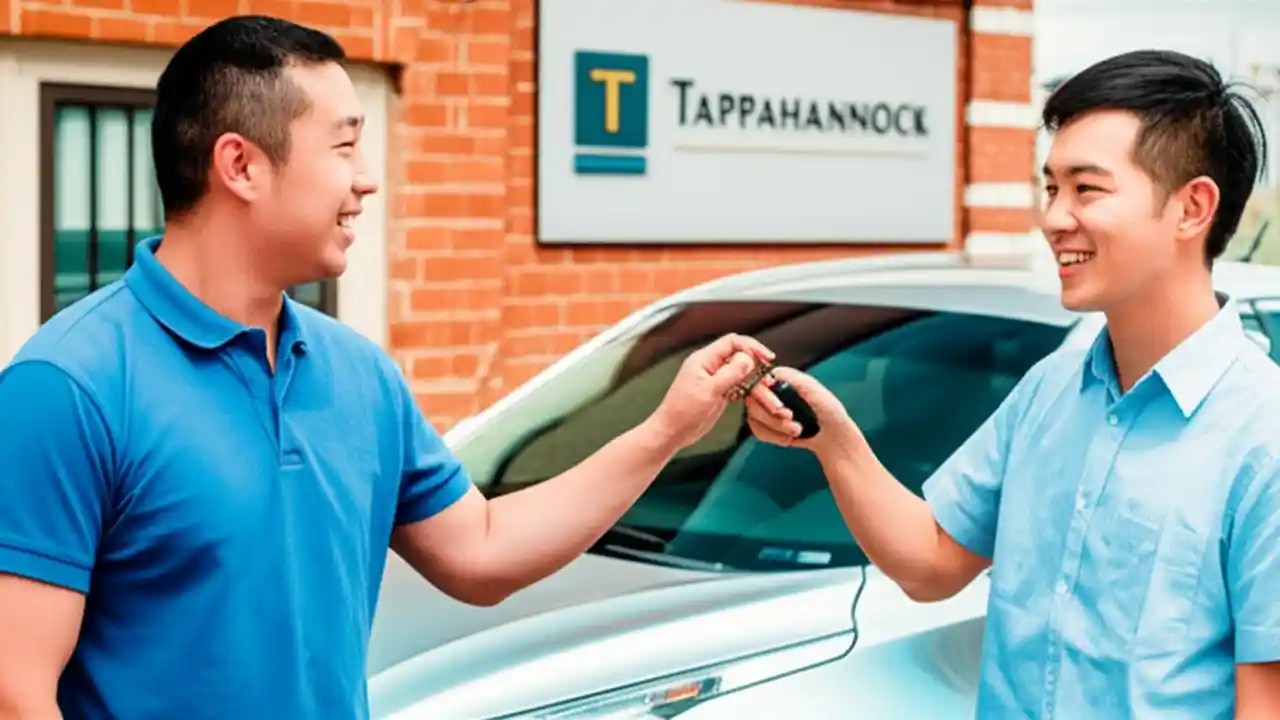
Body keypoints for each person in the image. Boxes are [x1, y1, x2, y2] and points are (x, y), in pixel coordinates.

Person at [0, 15, 784, 720]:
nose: (367, 178)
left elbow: (481, 552)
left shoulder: (358, 375)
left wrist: (667, 430)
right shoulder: (69, 387)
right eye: (343, 146)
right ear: (239, 165)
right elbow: (16, 690)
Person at [747, 49, 1280, 717]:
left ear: (1192, 208)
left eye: (1087, 189)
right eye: (1050, 188)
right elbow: (934, 563)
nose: (1055, 218)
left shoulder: (1264, 437)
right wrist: (836, 441)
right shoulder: (1050, 389)